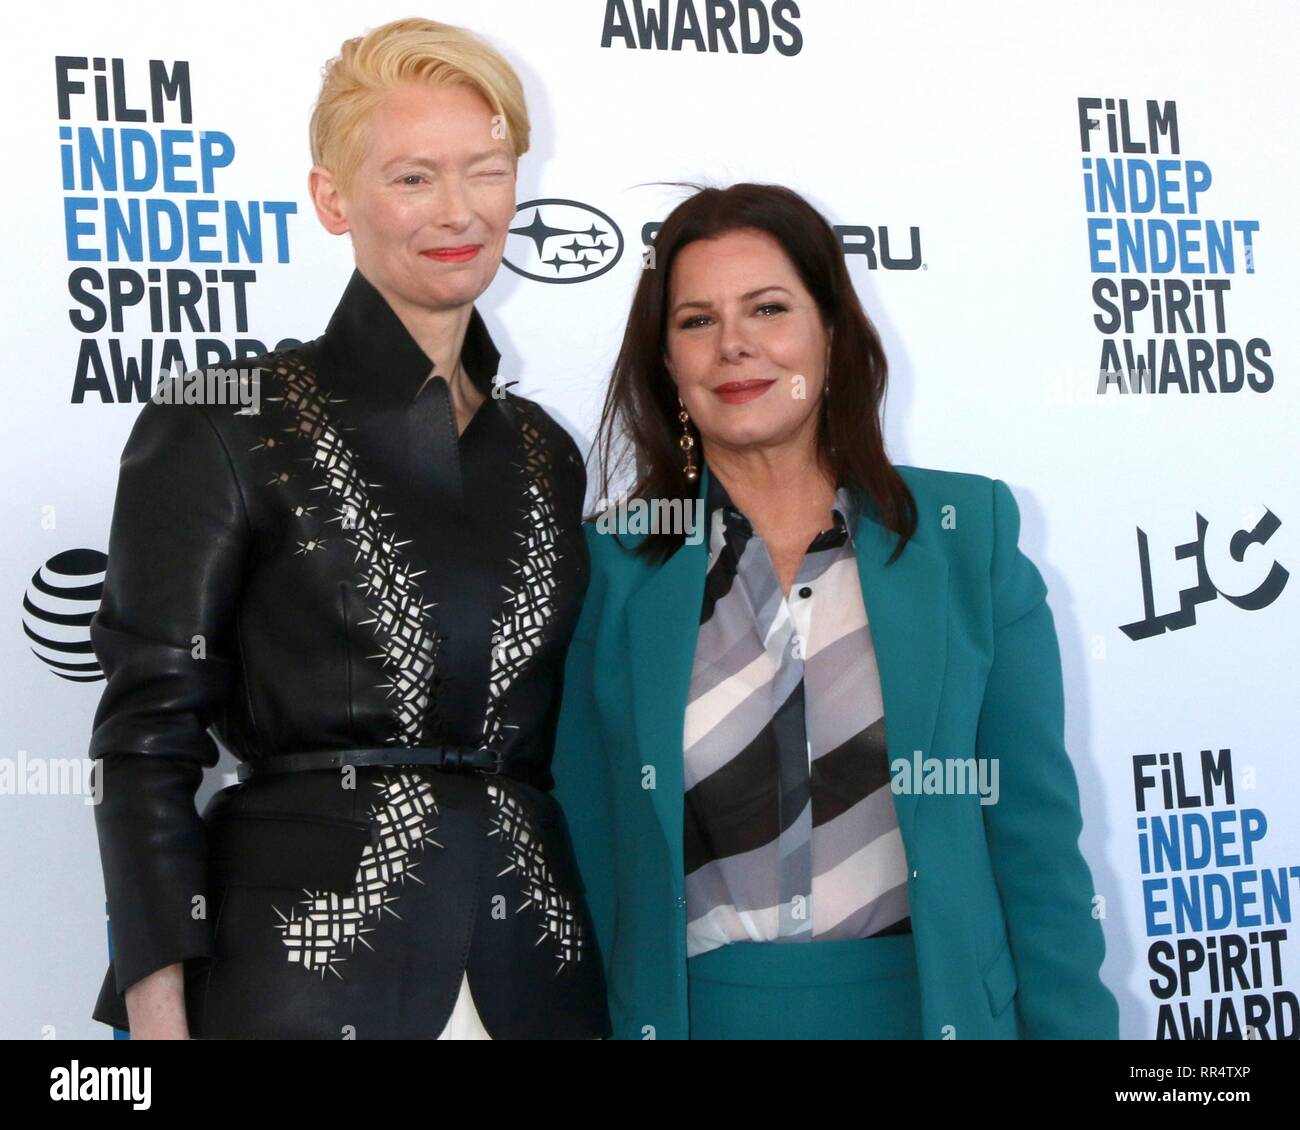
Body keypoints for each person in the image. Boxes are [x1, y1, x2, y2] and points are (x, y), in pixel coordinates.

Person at [89, 17, 608, 1039]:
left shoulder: (545, 452)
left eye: (486, 171)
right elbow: (148, 738)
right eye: (413, 177)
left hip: (533, 974)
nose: (458, 211)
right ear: (335, 198)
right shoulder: (226, 415)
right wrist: (157, 1009)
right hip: (298, 974)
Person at [549, 182, 1120, 1039]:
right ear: (668, 364)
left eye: (769, 309)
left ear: (832, 332)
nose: (734, 345)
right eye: (697, 321)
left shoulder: (969, 542)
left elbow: (1035, 842)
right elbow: (587, 853)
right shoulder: (614, 570)